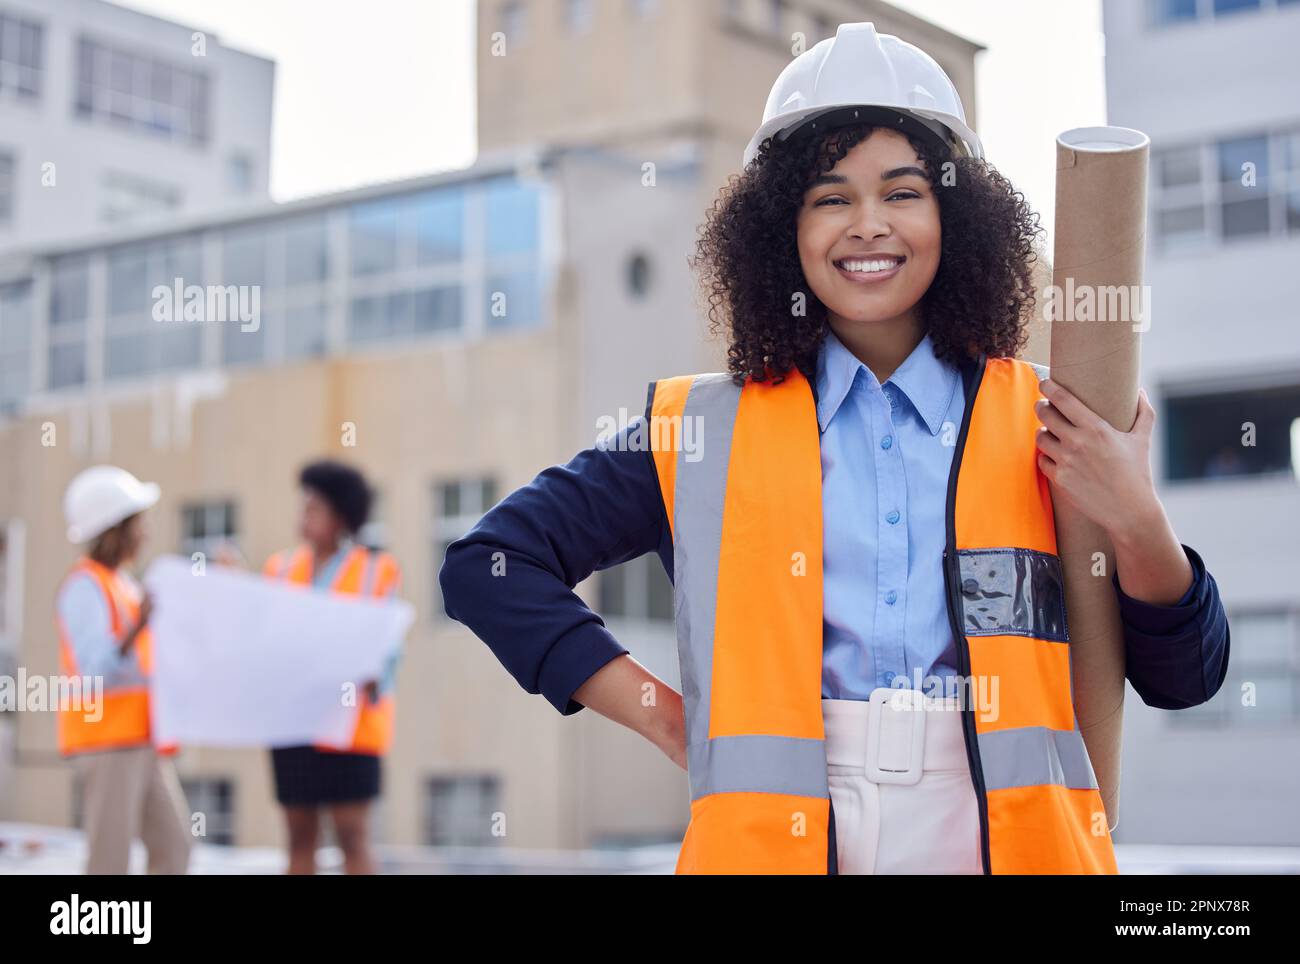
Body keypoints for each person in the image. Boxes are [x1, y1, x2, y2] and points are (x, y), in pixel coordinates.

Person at [439, 22, 1230, 875]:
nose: (867, 226)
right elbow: (489, 563)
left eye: (902, 193)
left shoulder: (1053, 418)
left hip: (997, 845)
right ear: (783, 229)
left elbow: (1185, 677)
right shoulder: (702, 432)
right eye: (829, 198)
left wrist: (1135, 515)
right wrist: (665, 715)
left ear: (954, 215)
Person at [263, 459, 401, 875]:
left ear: (341, 515)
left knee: (352, 834)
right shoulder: (279, 569)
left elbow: (387, 649)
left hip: (352, 726)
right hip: (294, 723)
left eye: (314, 508)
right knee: (299, 835)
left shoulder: (377, 570)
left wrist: (373, 673)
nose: (303, 517)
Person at [56, 465, 191, 875]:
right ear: (116, 528)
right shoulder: (84, 586)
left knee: (175, 845)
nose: (146, 531)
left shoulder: (126, 585)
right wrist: (139, 626)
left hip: (142, 741)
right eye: (139, 522)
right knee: (109, 859)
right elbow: (96, 668)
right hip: (109, 742)